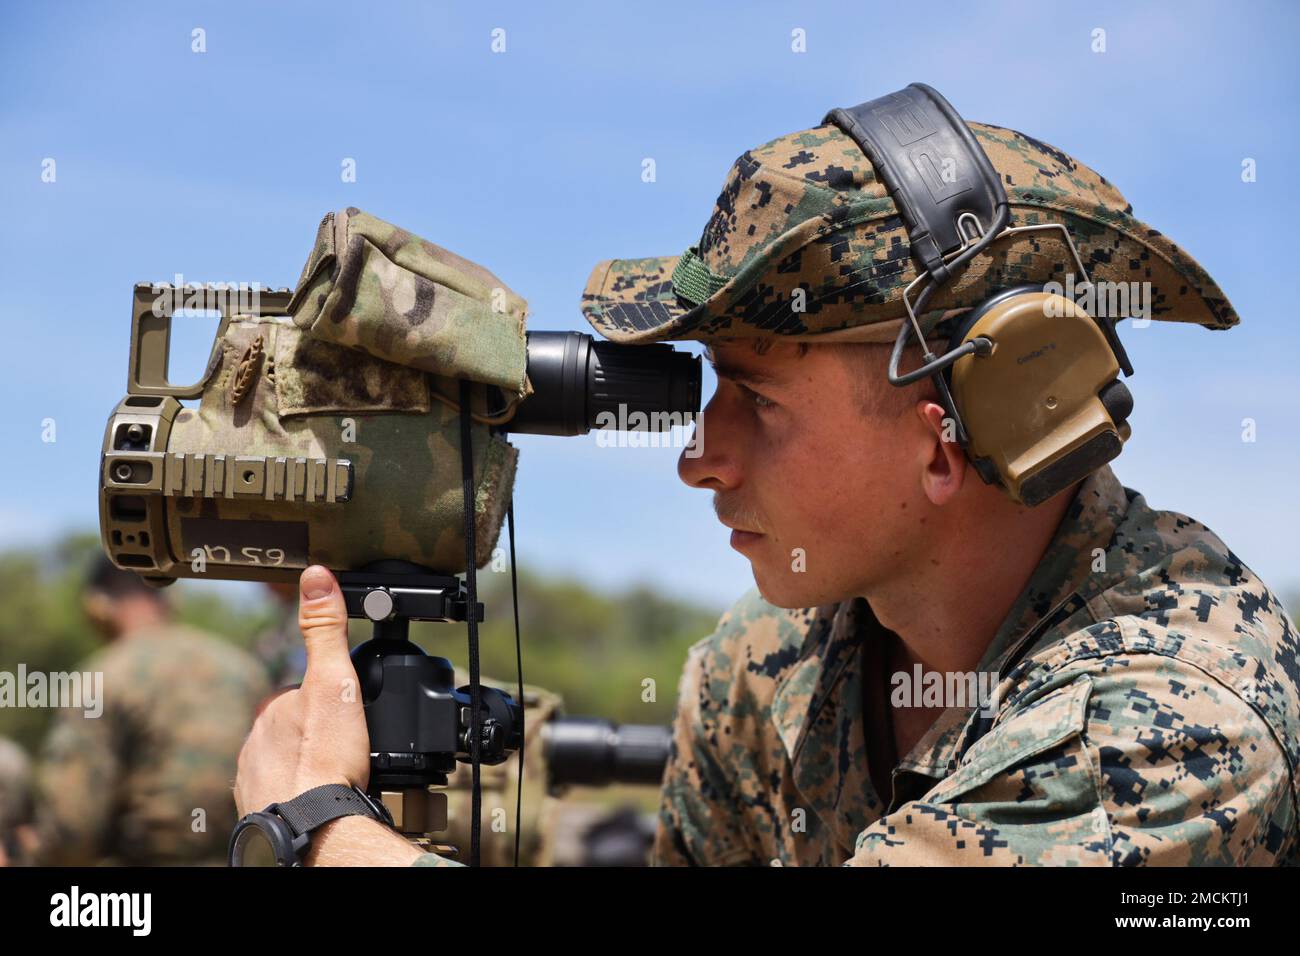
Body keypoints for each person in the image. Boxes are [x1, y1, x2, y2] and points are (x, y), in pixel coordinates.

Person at [233, 91, 1299, 866]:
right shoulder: (762, 667)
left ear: (947, 439)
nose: (701, 456)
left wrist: (327, 835)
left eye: (758, 401)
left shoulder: (1168, 721)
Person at [33, 556, 269, 865]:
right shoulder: (244, 669)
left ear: (97, 606)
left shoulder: (102, 677)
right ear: (169, 598)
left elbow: (73, 828)